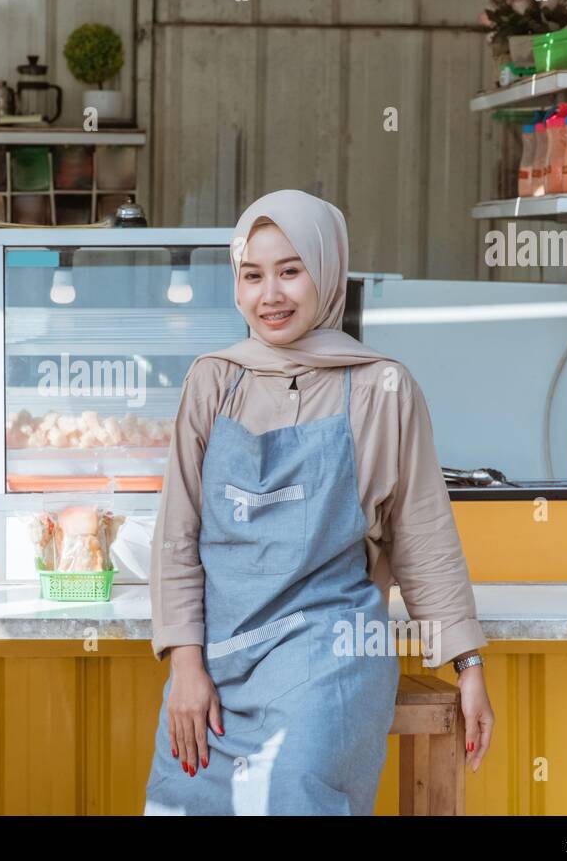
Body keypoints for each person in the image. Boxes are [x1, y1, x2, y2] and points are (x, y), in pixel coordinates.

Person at [142, 190, 494, 815]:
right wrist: (185, 667)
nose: (269, 295)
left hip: (332, 651)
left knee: (291, 787)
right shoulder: (213, 380)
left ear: (327, 272)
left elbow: (423, 536)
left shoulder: (381, 386)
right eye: (252, 275)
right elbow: (178, 535)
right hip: (222, 656)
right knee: (185, 801)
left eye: (290, 270)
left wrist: (467, 664)